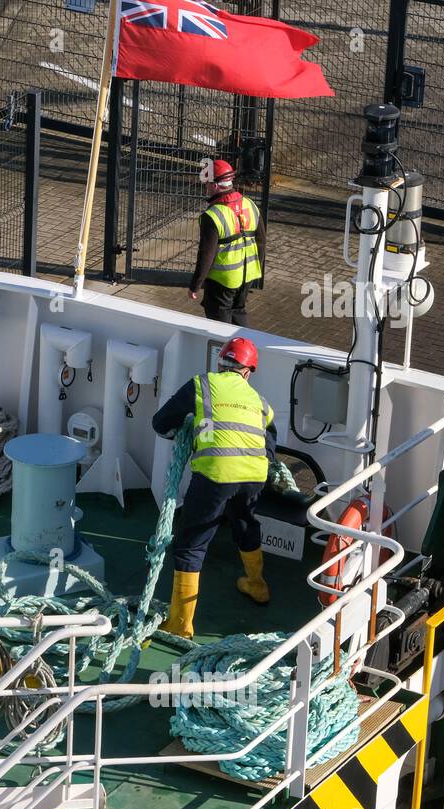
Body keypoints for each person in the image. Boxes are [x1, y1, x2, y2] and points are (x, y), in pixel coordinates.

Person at [152, 337, 276, 638]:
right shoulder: (262, 404)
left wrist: (189, 428)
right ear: (248, 372)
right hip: (254, 475)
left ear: (220, 364)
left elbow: (161, 422)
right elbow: (270, 448)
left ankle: (181, 624)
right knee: (245, 523)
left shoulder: (202, 385)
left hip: (216, 474)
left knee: (191, 543)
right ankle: (257, 585)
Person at [188, 159, 264, 327]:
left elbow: (206, 255)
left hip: (223, 280)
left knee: (220, 322)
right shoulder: (250, 205)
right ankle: (245, 347)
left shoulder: (212, 215)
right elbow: (261, 243)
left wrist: (195, 285)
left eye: (207, 183)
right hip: (247, 276)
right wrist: (255, 270)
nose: (206, 187)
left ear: (215, 185)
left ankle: (226, 350)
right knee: (238, 312)